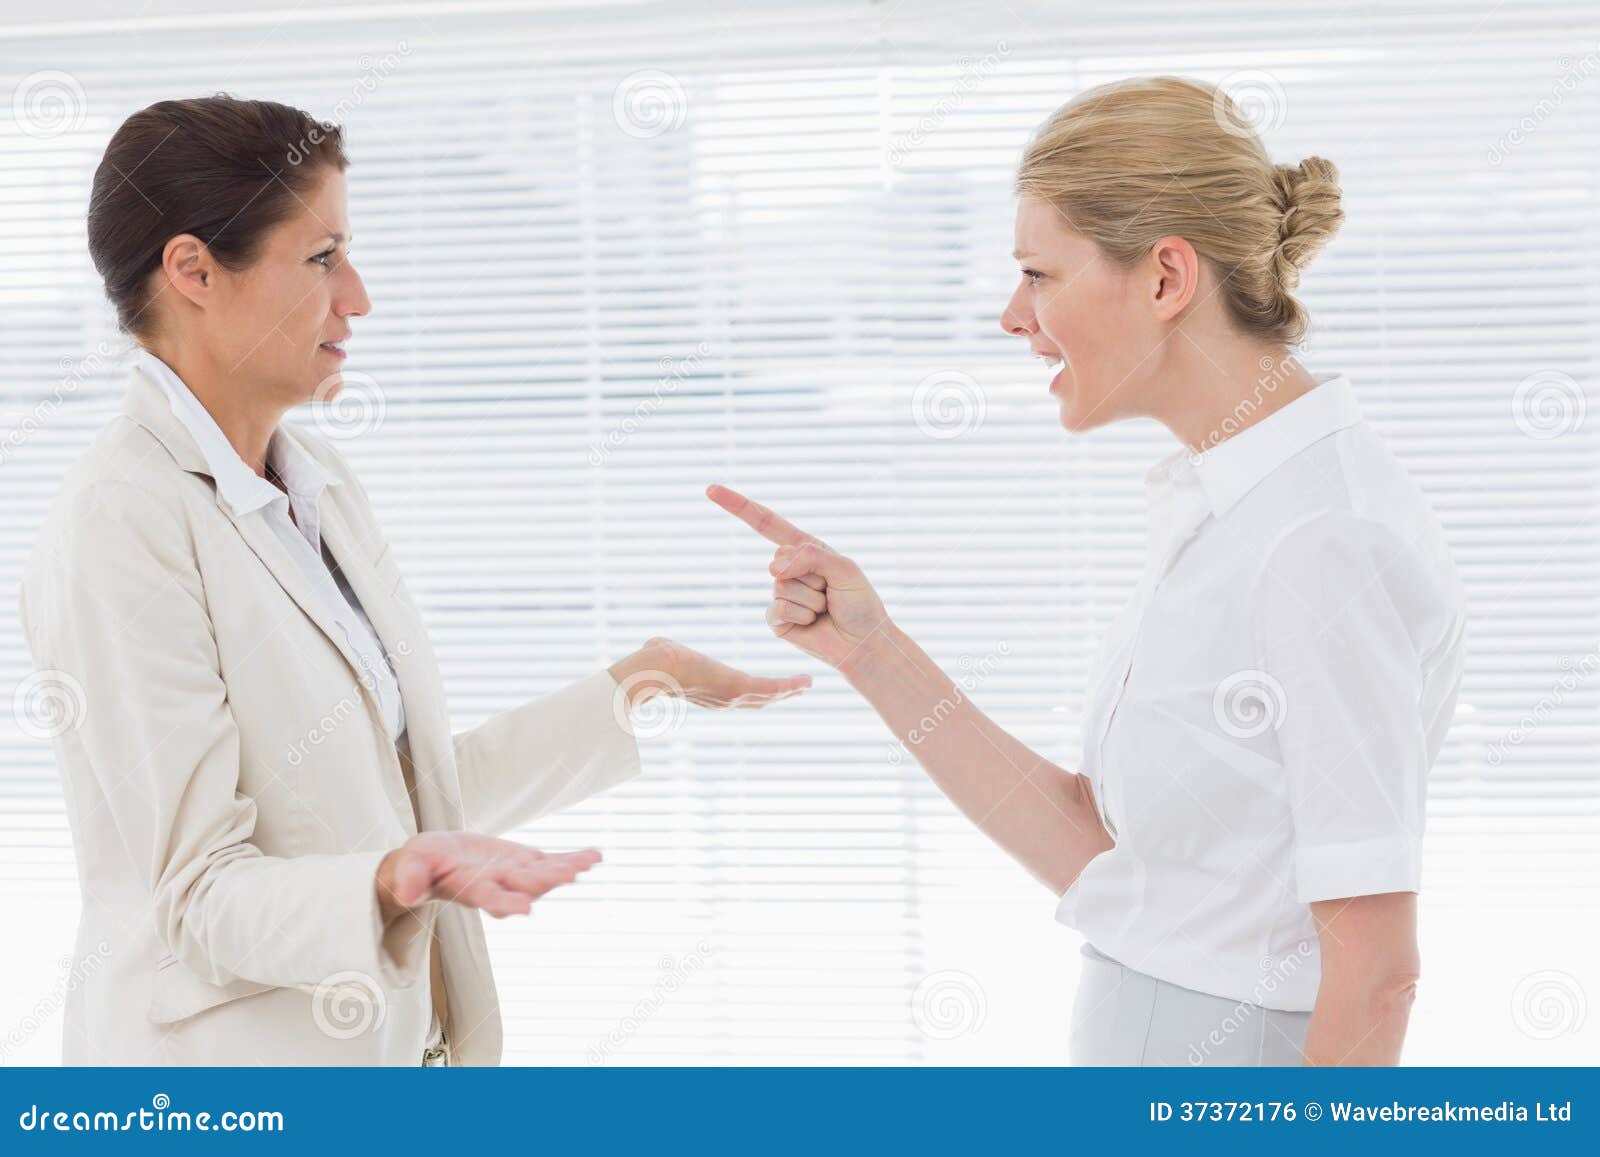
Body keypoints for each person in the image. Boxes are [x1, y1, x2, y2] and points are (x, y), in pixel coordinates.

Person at [18, 94, 809, 1066]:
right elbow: (199, 892)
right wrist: (390, 878)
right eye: (321, 258)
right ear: (193, 271)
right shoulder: (123, 518)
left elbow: (400, 799)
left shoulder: (317, 487)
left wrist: (640, 680)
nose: (357, 296)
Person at [708, 76, 1467, 1066]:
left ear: (1164, 279)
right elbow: (1112, 858)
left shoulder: (1316, 538)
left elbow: (1375, 970)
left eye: (1037, 273)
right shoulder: (1235, 513)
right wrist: (871, 652)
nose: (1011, 316)